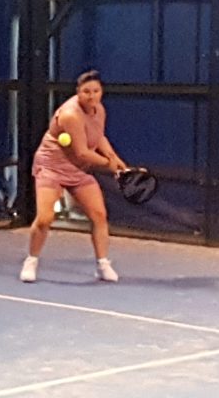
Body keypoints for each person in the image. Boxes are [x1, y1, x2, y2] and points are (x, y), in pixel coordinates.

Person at [20, 70, 127, 283]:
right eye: (86, 91)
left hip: (77, 170)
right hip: (51, 167)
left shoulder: (99, 110)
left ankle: (103, 264)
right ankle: (31, 261)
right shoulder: (71, 115)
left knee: (99, 215)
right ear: (78, 92)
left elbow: (98, 137)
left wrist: (115, 158)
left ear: (101, 92)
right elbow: (82, 153)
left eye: (96, 91)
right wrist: (109, 165)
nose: (91, 96)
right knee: (45, 218)